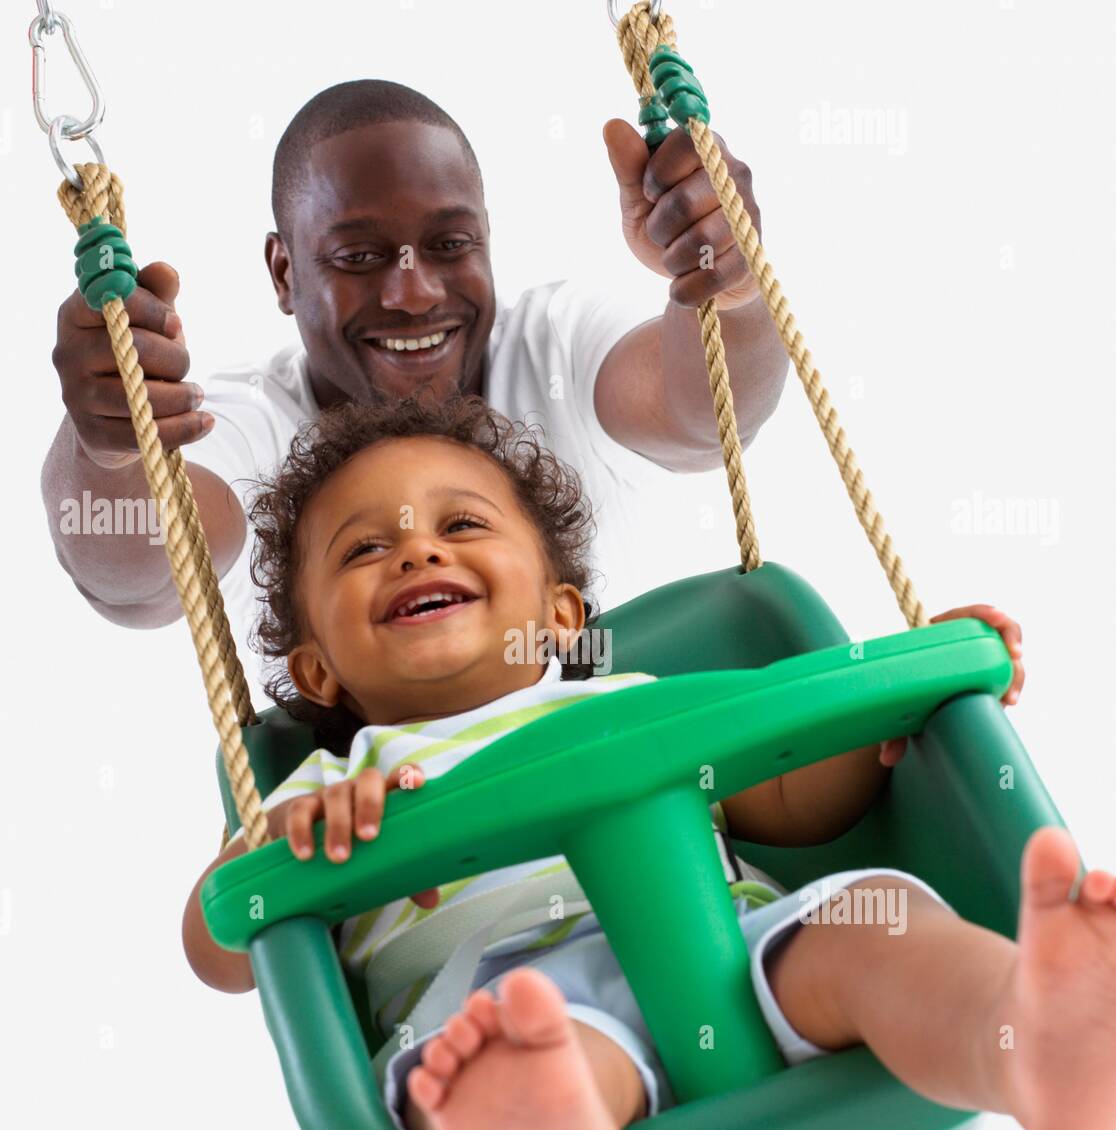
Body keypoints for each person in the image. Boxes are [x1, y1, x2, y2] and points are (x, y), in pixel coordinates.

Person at [175, 390, 1116, 1130]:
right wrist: (287, 852)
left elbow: (796, 799)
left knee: (880, 926)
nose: (418, 548)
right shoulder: (333, 787)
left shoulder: (626, 698)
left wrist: (893, 717)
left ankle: (1030, 1038)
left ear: (563, 617)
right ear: (317, 671)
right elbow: (220, 949)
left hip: (733, 953)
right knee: (509, 1078)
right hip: (506, 1004)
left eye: (462, 526)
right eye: (367, 549)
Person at [42, 79, 790, 709]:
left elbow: (704, 419)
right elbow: (135, 574)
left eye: (449, 245)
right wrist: (111, 450)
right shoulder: (245, 426)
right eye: (359, 256)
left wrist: (726, 284)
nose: (412, 291)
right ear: (283, 273)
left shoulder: (552, 345)